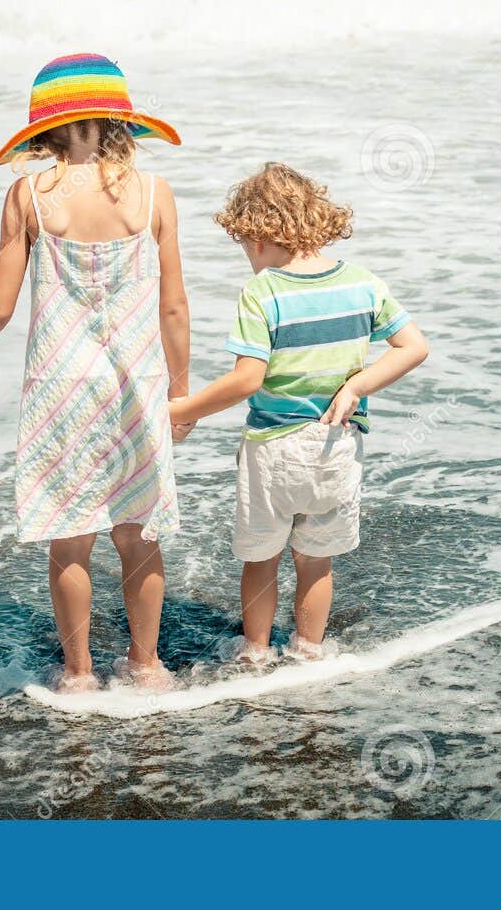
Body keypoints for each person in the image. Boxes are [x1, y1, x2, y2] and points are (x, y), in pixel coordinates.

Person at [0, 54, 189, 691]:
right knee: (138, 531)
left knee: (70, 537)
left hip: (61, 389)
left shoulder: (32, 196)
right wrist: (179, 392)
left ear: (44, 130)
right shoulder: (152, 193)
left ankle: (78, 672)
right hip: (136, 383)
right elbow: (175, 304)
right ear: (116, 119)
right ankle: (147, 664)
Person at [168, 163, 428, 659]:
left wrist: (183, 409)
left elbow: (248, 379)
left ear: (264, 235)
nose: (247, 255)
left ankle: (255, 653)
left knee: (262, 560)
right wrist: (358, 384)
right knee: (316, 562)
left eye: (245, 243)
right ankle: (309, 652)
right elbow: (413, 347)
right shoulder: (362, 284)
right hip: (337, 445)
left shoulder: (263, 291)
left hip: (275, 449)